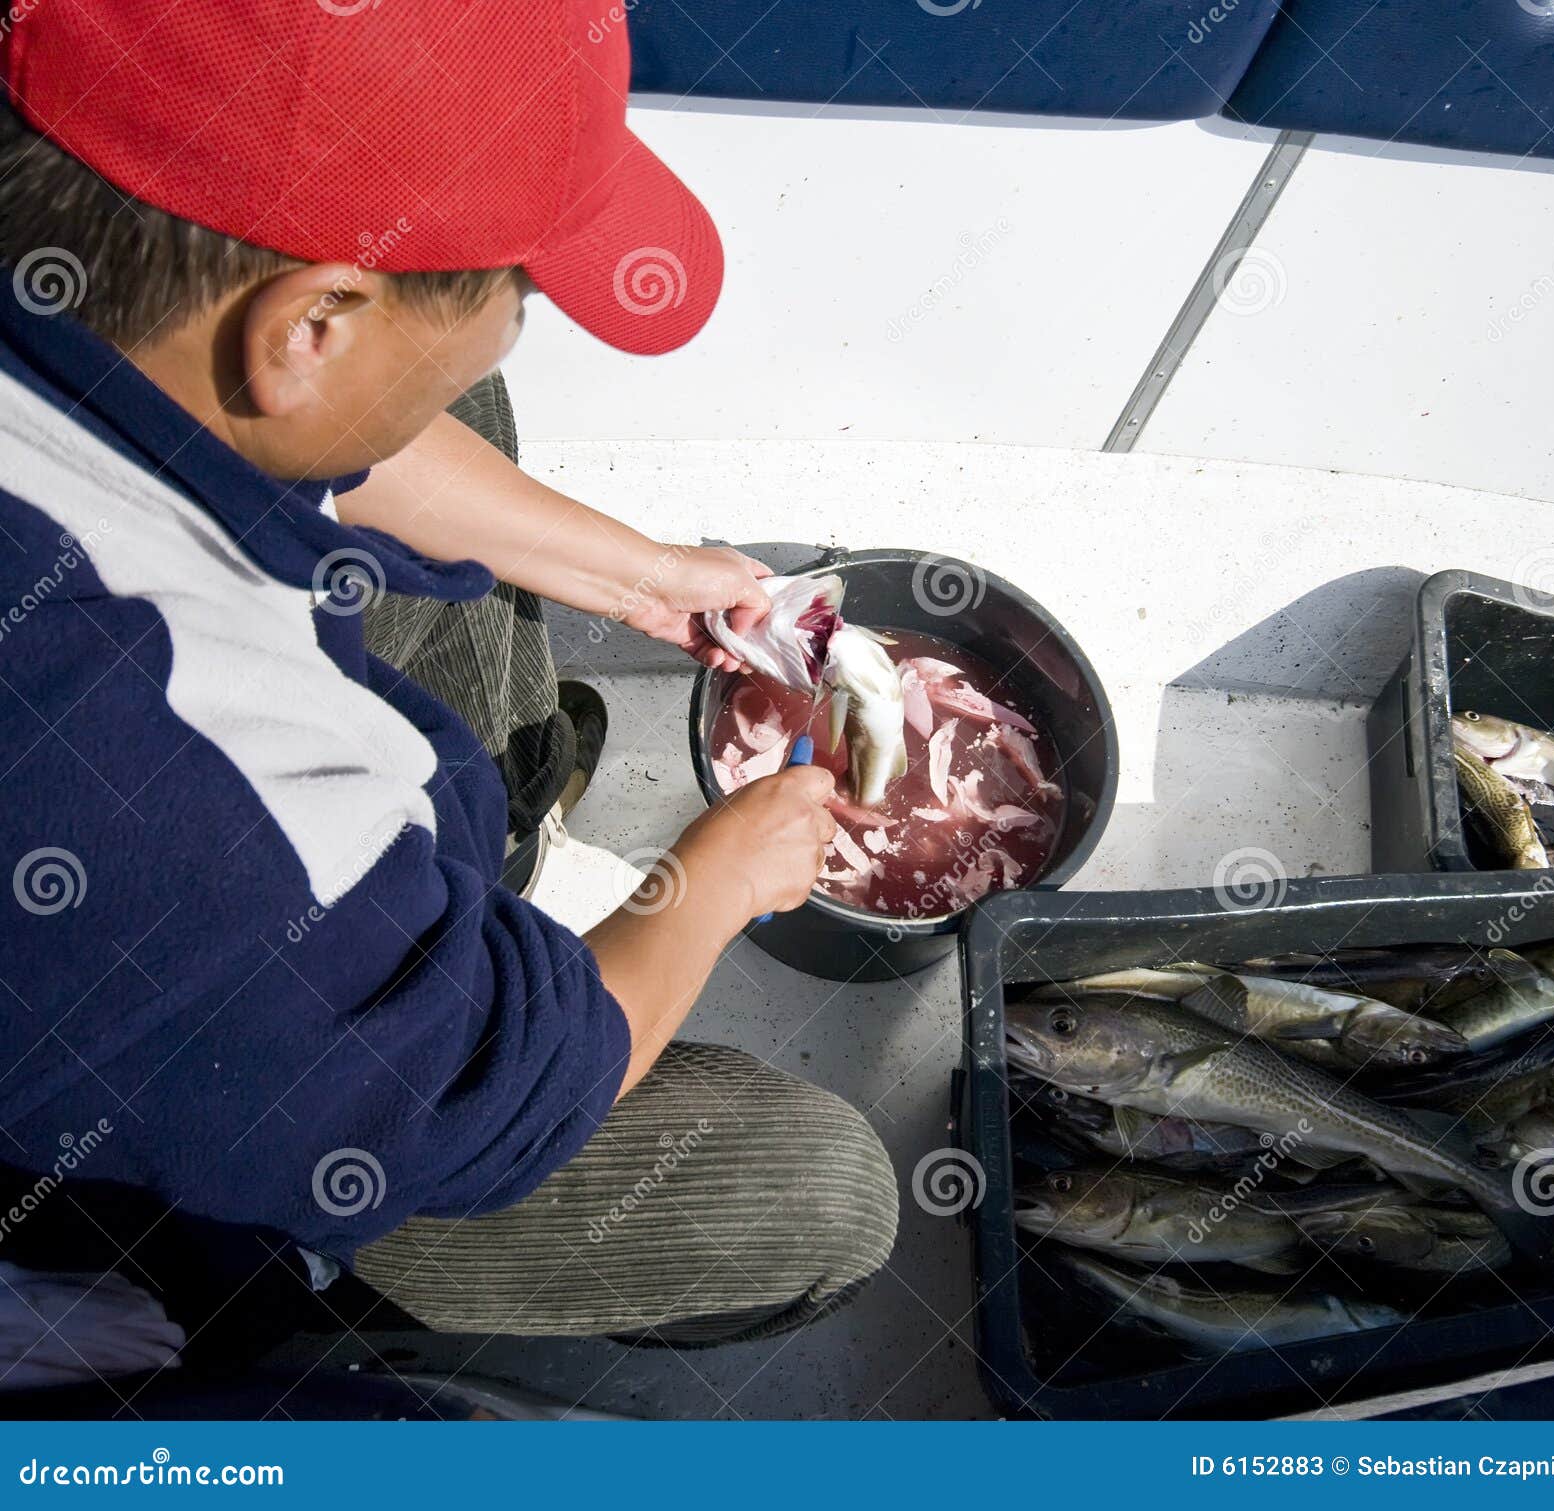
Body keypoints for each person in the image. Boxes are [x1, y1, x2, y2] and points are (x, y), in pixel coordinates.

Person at [0, 0, 897, 1350]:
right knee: (826, 1195)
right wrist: (715, 881)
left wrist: (639, 572)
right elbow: (504, 1092)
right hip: (159, 1147)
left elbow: (323, 428)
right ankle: (326, 1311)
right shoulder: (169, 814)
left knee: (448, 404)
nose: (522, 310)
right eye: (519, 291)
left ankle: (498, 833)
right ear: (310, 324)